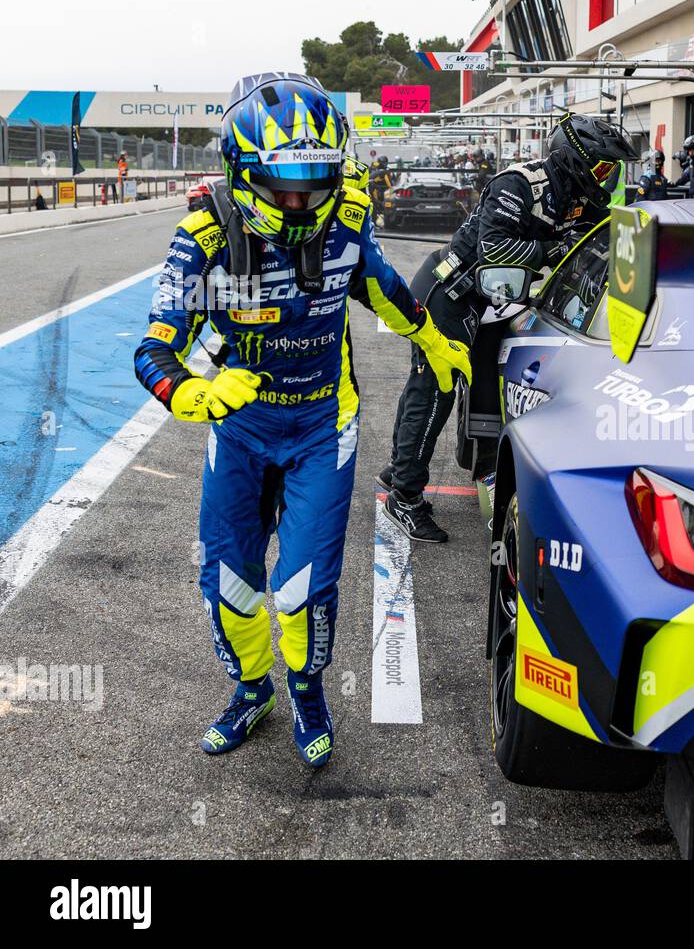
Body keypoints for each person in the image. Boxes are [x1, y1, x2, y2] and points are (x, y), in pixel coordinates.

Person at [132, 72, 470, 767]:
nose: (297, 201)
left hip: (324, 426)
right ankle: (251, 691)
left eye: (313, 182)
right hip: (241, 430)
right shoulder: (202, 235)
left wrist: (431, 338)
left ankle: (308, 693)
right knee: (229, 579)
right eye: (281, 185)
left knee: (305, 588)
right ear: (239, 170)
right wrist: (186, 392)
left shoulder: (347, 216)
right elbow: (153, 348)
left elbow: (383, 288)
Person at [377, 112, 635, 541]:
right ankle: (404, 498)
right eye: (603, 168)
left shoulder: (581, 198)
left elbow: (603, 243)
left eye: (613, 171)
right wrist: (556, 247)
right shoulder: (518, 183)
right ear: (576, 158)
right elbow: (494, 247)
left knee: (443, 389)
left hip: (490, 300)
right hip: (448, 290)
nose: (607, 180)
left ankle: (398, 468)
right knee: (435, 391)